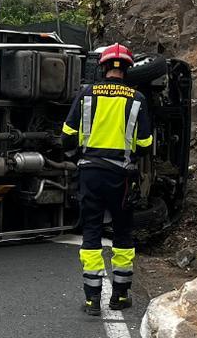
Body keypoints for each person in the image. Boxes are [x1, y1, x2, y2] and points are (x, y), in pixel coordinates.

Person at [61, 43, 153, 316]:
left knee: (91, 231)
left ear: (102, 67)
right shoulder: (137, 99)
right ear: (127, 69)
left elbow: (66, 135)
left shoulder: (86, 94)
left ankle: (92, 299)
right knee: (123, 232)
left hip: (90, 172)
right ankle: (120, 296)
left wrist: (77, 153)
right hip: (121, 176)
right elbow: (146, 144)